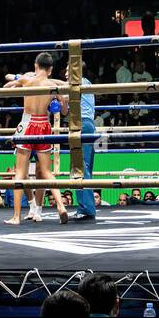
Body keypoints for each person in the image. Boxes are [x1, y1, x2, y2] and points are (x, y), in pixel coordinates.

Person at [4, 52, 70, 225]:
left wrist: (17, 82)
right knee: (47, 172)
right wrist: (61, 100)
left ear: (35, 66)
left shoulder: (28, 80)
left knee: (20, 172)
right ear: (50, 69)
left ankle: (17, 216)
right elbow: (64, 112)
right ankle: (61, 206)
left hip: (28, 124)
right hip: (44, 125)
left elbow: (5, 88)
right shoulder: (52, 85)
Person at [68, 65, 97, 223]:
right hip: (87, 125)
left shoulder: (77, 84)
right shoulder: (87, 82)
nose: (66, 73)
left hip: (81, 125)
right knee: (83, 166)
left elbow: (66, 110)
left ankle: (86, 209)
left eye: (68, 70)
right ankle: (86, 207)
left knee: (79, 166)